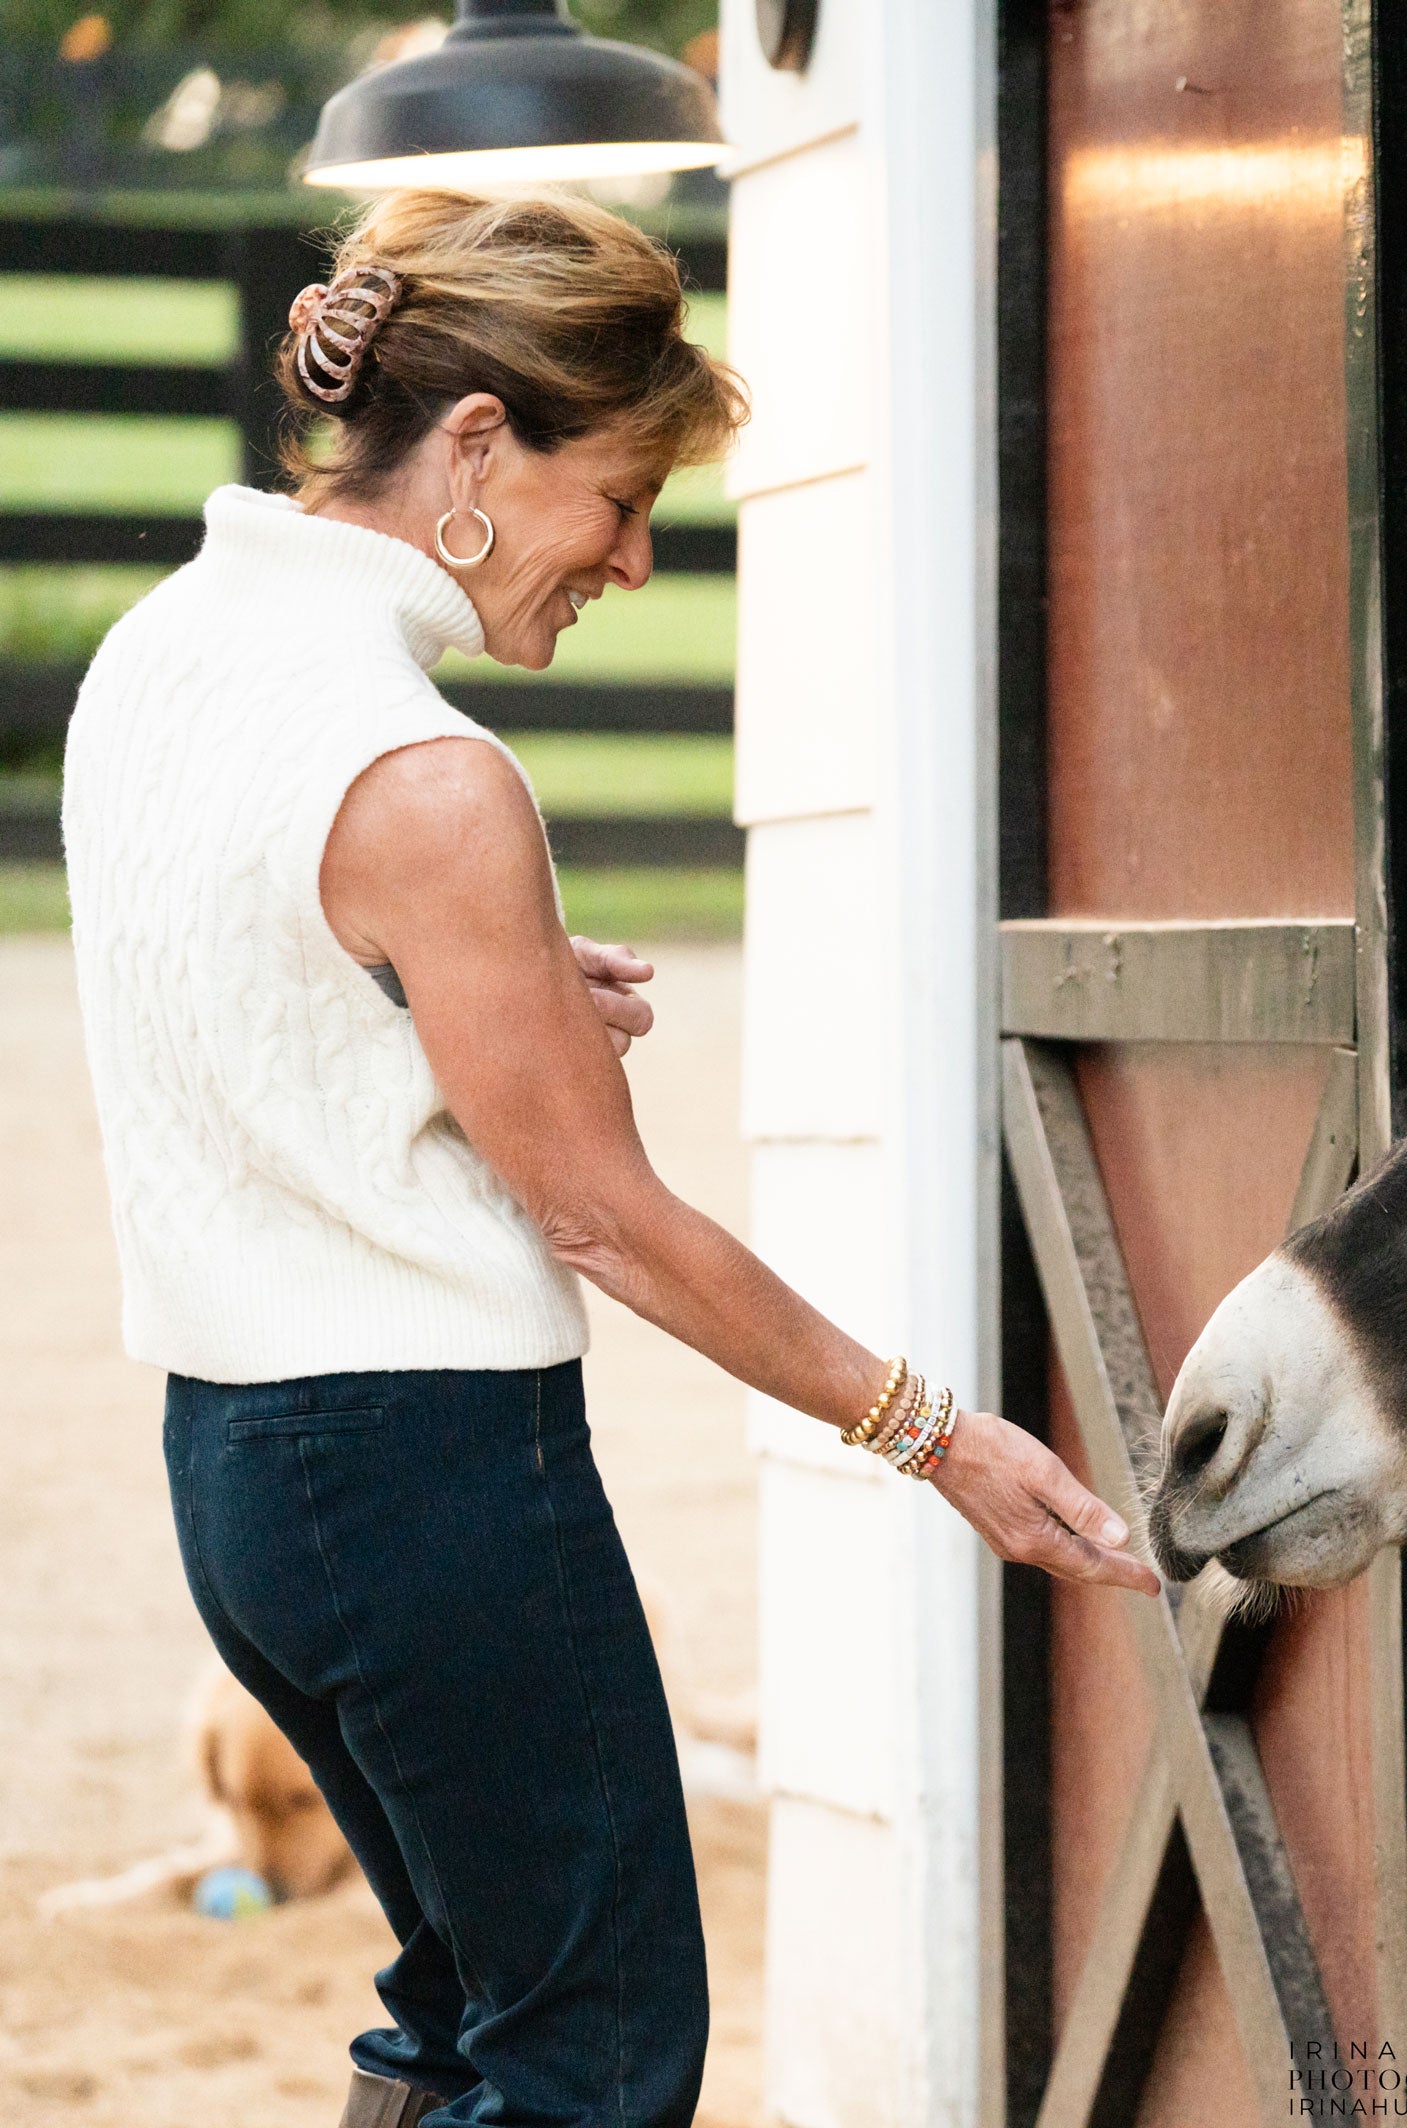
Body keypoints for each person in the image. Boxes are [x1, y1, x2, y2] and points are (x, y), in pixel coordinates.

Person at [61, 188, 1156, 2128]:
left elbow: (223, 948)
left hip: (242, 1471)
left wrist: (447, 985)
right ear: (476, 446)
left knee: (462, 2017)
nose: (638, 559)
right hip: (428, 1475)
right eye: (625, 495)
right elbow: (603, 1216)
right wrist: (937, 1433)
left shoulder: (165, 649)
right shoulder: (424, 773)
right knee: (592, 2062)